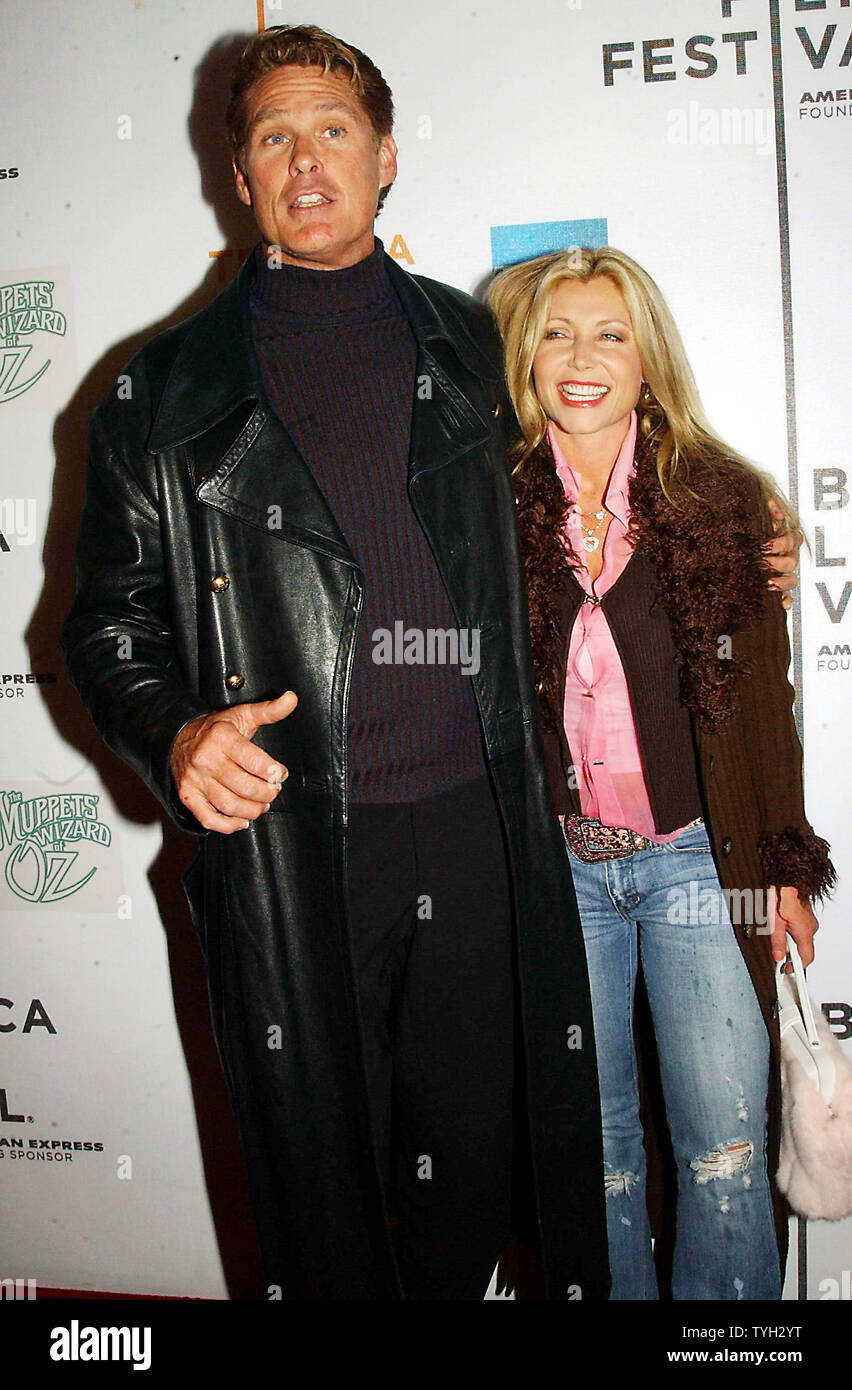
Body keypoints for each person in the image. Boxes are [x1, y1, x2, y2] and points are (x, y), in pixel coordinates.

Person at [59, 24, 615, 1301]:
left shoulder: (481, 348)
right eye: (273, 138)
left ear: (387, 159)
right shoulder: (161, 392)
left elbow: (601, 485)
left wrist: (731, 543)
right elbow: (108, 622)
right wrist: (174, 732)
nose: (306, 161)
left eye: (333, 131)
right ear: (239, 179)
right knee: (321, 1194)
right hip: (291, 846)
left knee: (471, 1176)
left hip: (478, 829)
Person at [487, 246, 834, 1300]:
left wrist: (778, 864)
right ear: (524, 353)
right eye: (556, 331)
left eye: (610, 333)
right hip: (561, 875)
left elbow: (762, 712)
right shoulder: (486, 504)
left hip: (697, 863)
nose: (581, 357)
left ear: (650, 359)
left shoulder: (719, 500)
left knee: (724, 1152)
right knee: (595, 1153)